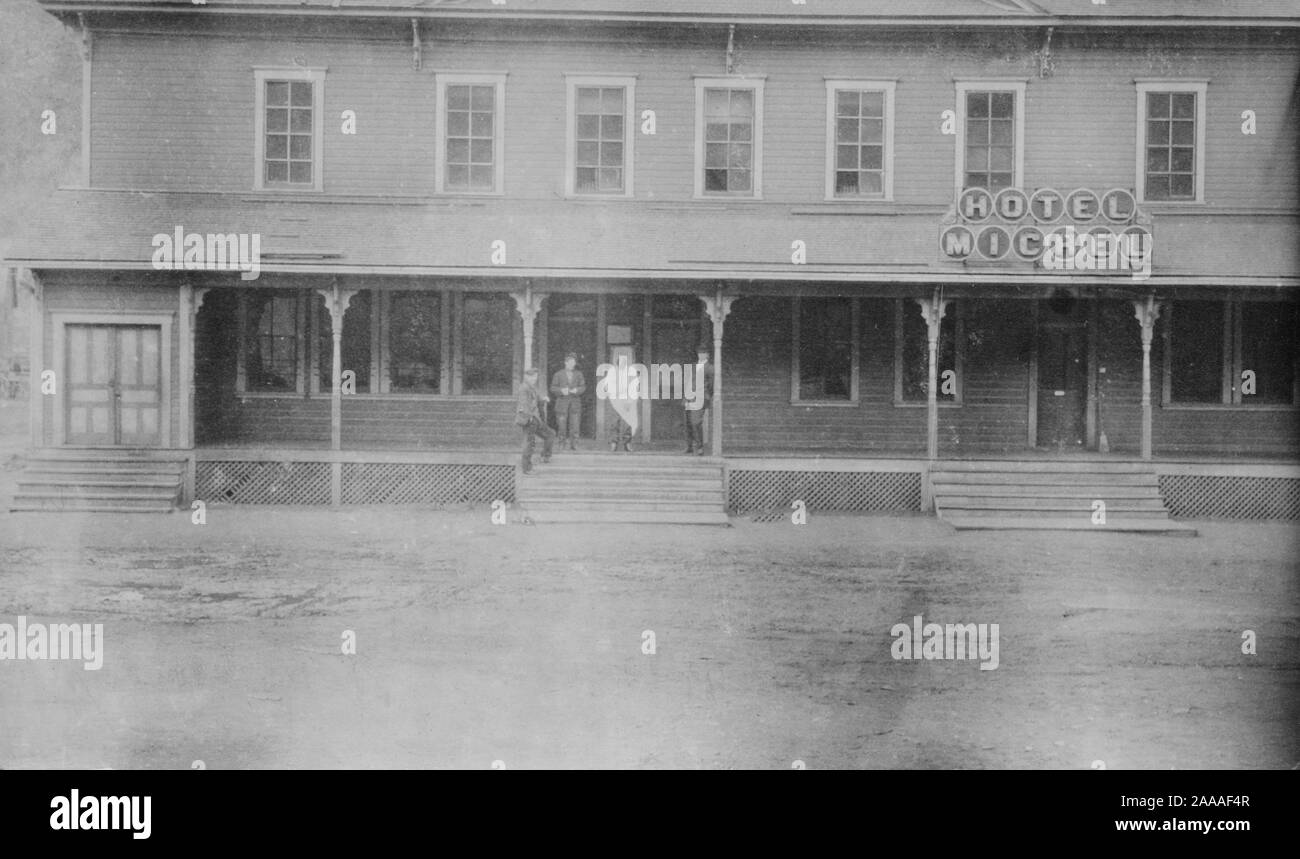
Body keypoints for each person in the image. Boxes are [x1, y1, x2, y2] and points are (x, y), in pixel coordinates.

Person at [516, 367, 554, 474]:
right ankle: (527, 468)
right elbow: (523, 404)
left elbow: (536, 399)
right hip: (529, 420)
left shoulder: (532, 388)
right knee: (529, 444)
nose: (534, 379)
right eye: (532, 377)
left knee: (550, 434)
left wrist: (543, 399)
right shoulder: (524, 388)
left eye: (535, 377)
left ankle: (544, 456)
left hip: (536, 419)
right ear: (526, 377)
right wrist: (530, 417)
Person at [549, 352, 586, 451]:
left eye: (573, 363)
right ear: (565, 363)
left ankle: (575, 444)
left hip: (575, 403)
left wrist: (577, 390)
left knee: (575, 425)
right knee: (561, 425)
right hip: (562, 403)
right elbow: (552, 388)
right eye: (570, 363)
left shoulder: (579, 374)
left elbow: (583, 387)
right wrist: (561, 391)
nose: (572, 365)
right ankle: (561, 444)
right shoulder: (558, 374)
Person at [684, 346, 714, 455]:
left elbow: (711, 385)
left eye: (704, 353)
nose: (701, 355)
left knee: (695, 422)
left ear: (707, 355)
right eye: (699, 353)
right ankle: (690, 446)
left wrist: (706, 395)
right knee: (688, 423)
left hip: (701, 397)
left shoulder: (710, 368)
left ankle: (700, 447)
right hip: (689, 397)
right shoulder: (693, 366)